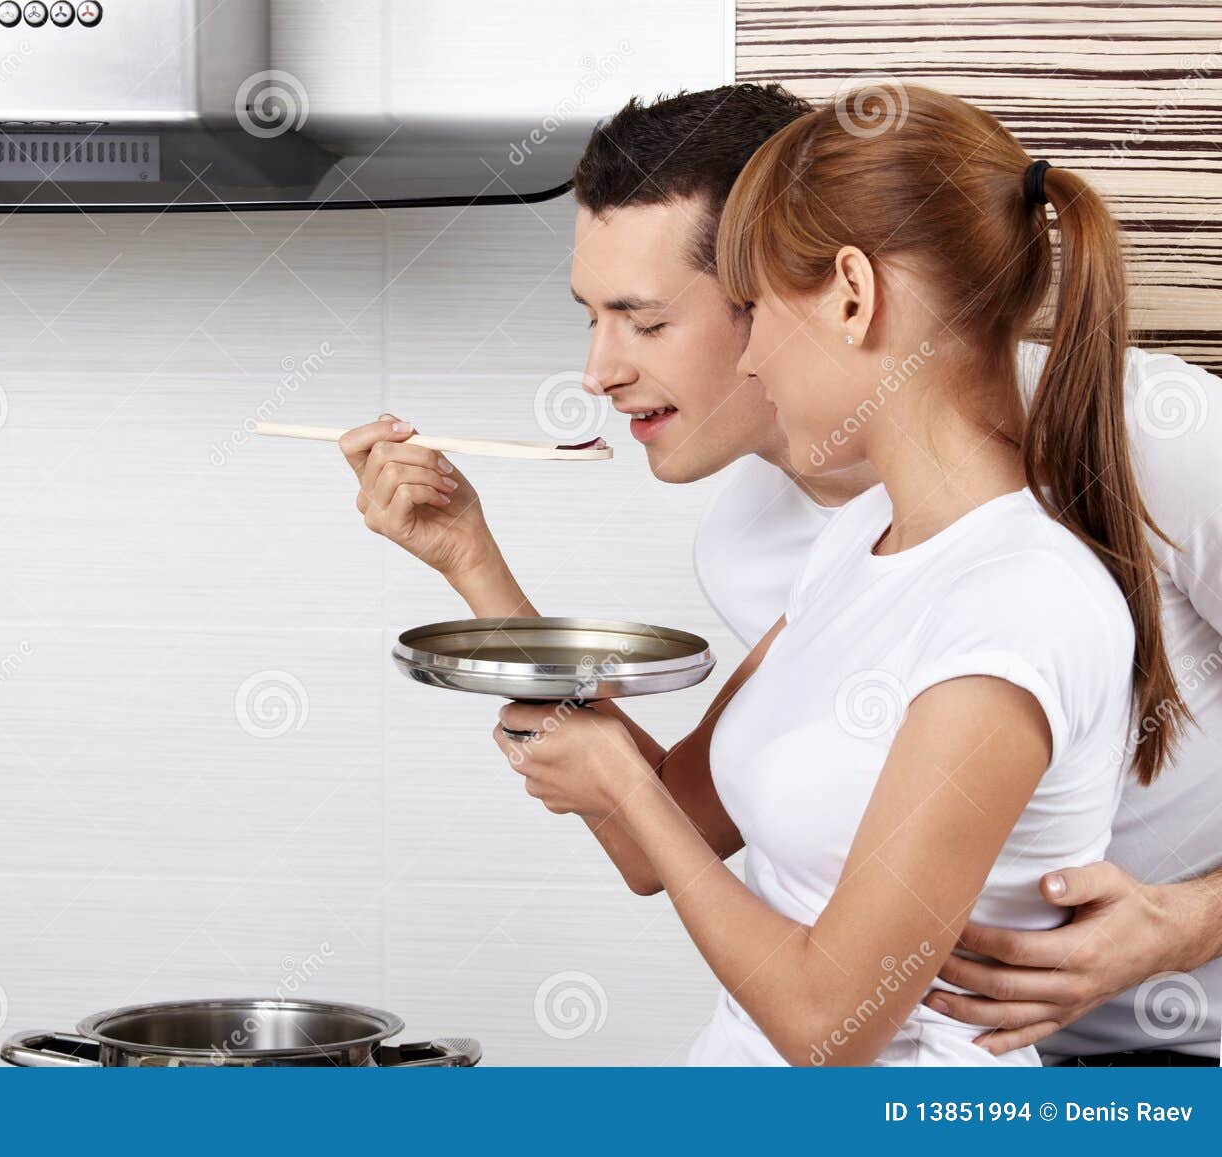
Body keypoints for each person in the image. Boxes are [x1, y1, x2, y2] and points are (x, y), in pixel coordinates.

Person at [335, 83, 1222, 1064]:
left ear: (849, 293)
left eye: (650, 318)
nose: (596, 371)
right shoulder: (827, 535)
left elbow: (826, 1014)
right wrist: (472, 560)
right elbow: (663, 825)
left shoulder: (1143, 463)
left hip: (1153, 1049)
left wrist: (1186, 920)